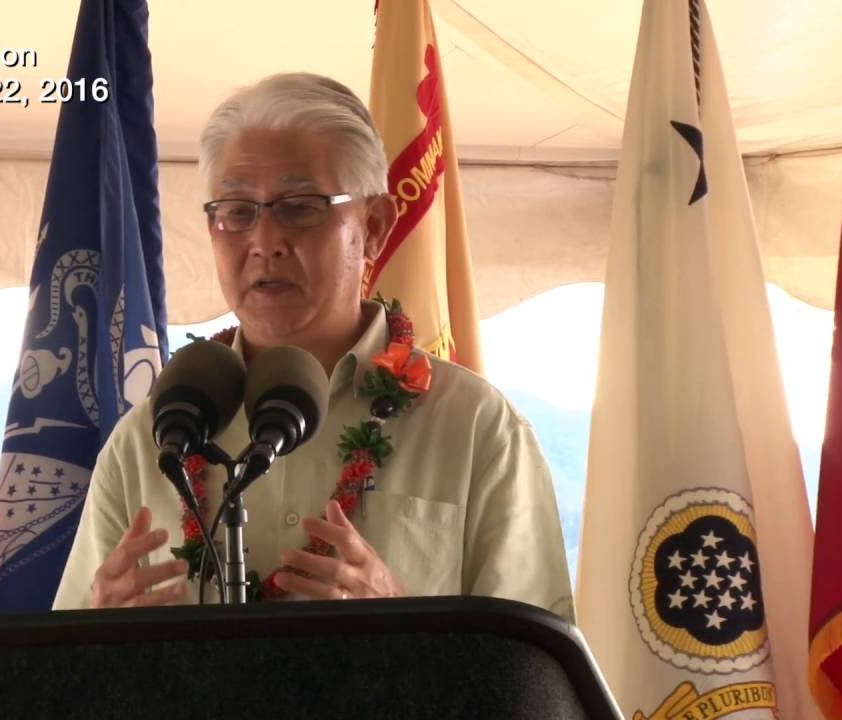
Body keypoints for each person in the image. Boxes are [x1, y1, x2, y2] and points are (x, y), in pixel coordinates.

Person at [52, 73, 573, 620]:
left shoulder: (474, 428)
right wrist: (91, 637)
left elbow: (536, 681)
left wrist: (412, 634)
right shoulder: (152, 438)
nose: (264, 242)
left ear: (372, 227)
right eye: (236, 210)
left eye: (299, 207)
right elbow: (54, 681)